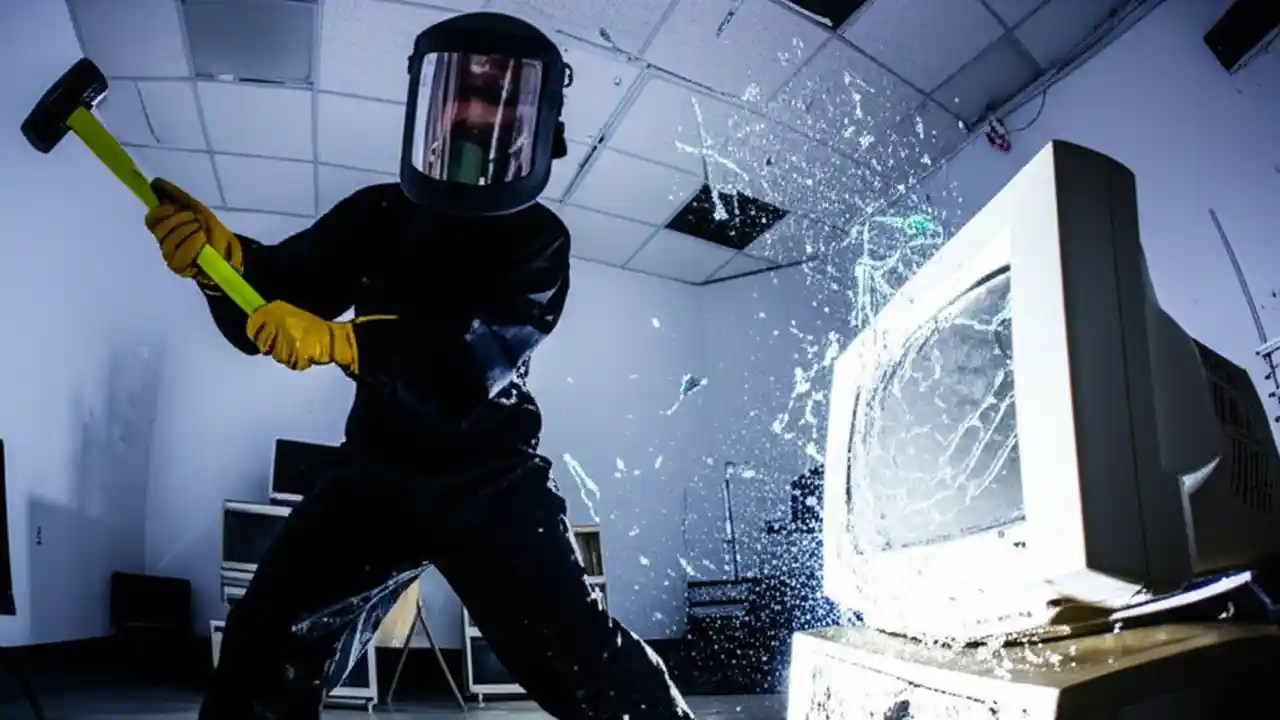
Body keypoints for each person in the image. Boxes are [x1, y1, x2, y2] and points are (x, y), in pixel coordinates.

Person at [143, 12, 695, 720]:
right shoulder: (377, 214)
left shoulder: (537, 244)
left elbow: (472, 357)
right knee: (266, 644)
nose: (471, 116)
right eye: (458, 95)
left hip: (487, 479)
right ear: (426, 109)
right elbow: (277, 298)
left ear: (533, 125)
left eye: (493, 100)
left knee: (585, 660)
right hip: (374, 472)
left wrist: (345, 344)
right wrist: (220, 265)